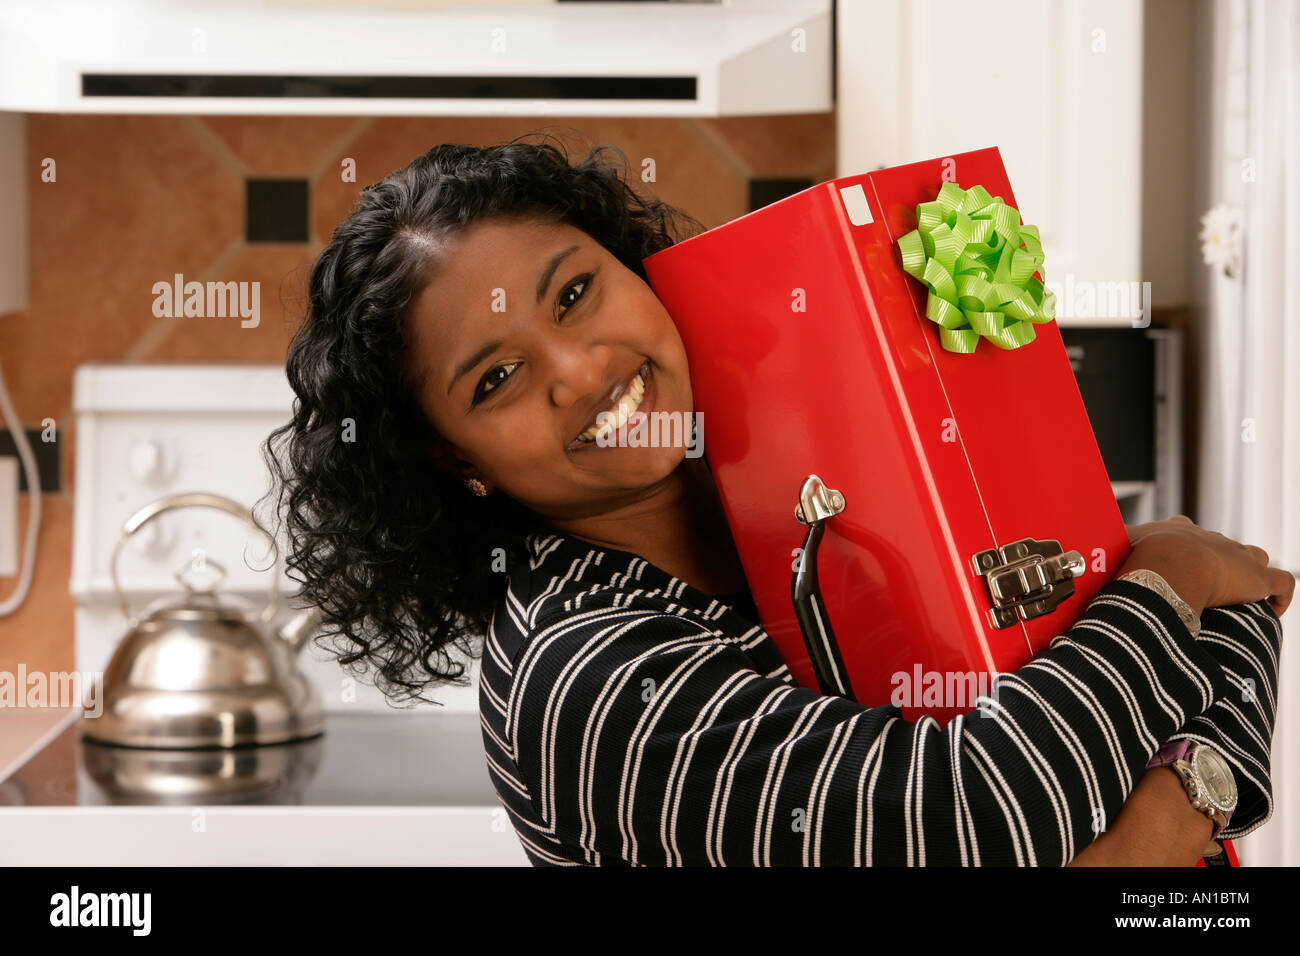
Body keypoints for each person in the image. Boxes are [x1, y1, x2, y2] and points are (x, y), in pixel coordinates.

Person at [261, 133, 1292, 866]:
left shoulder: (794, 498)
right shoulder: (585, 675)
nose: (577, 372)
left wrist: (1178, 788)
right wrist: (1166, 579)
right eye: (494, 380)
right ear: (456, 462)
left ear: (631, 265)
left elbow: (1240, 611)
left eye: (574, 292)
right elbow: (977, 805)